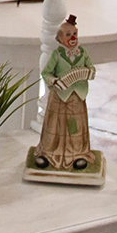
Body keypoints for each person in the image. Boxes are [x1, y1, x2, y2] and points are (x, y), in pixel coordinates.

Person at [34, 13, 96, 171]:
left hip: (77, 96)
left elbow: (91, 68)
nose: (72, 37)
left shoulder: (82, 53)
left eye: (74, 34)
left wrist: (88, 72)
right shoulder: (57, 55)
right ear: (60, 38)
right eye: (68, 35)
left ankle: (77, 155)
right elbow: (46, 73)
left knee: (74, 126)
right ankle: (47, 154)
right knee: (54, 125)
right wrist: (54, 81)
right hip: (60, 96)